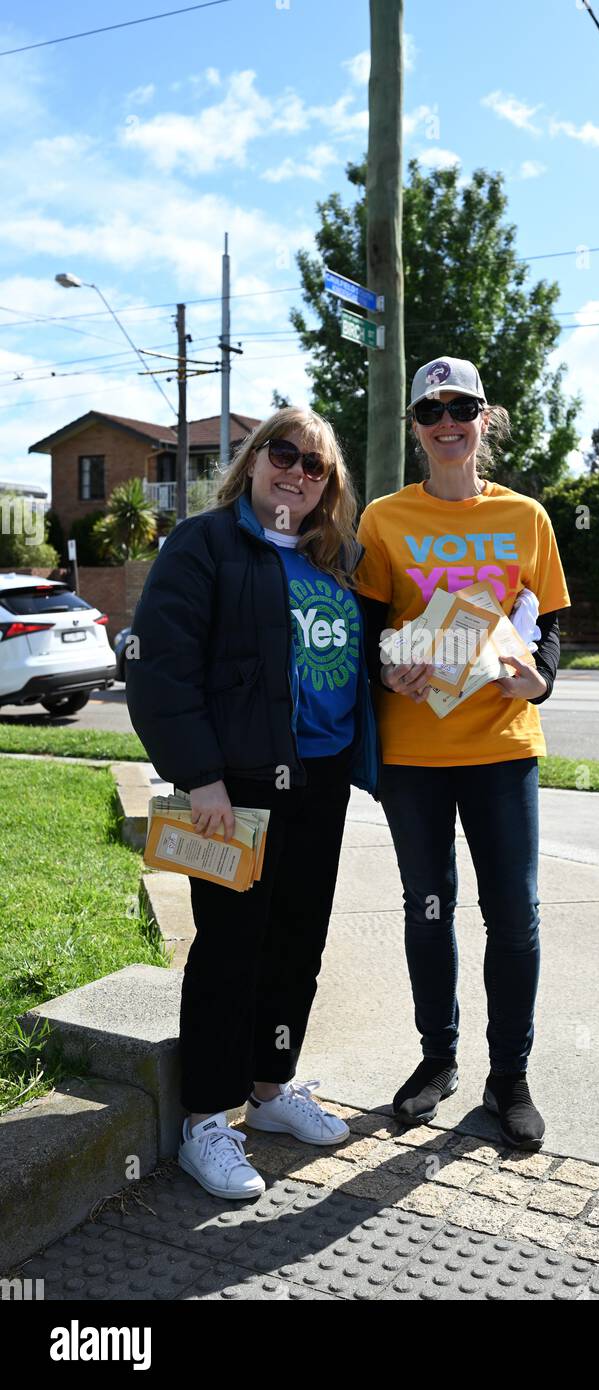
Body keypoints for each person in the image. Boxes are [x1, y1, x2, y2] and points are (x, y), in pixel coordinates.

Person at [125, 407, 379, 1199]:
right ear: (253, 459)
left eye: (316, 466)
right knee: (231, 949)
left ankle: (270, 1091)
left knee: (297, 942)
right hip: (232, 789)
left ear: (328, 486)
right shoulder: (203, 543)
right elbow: (161, 669)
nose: (297, 472)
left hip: (320, 780)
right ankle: (207, 1119)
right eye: (285, 453)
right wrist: (199, 777)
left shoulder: (334, 558)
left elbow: (366, 657)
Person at [354, 356, 570, 1151]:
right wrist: (386, 663)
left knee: (513, 917)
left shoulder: (526, 519)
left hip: (502, 744)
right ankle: (435, 1061)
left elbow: (548, 626)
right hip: (412, 750)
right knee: (428, 908)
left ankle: (507, 1078)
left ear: (485, 419)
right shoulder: (382, 519)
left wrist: (538, 682)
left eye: (462, 407)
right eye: (430, 410)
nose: (446, 421)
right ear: (414, 427)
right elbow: (366, 630)